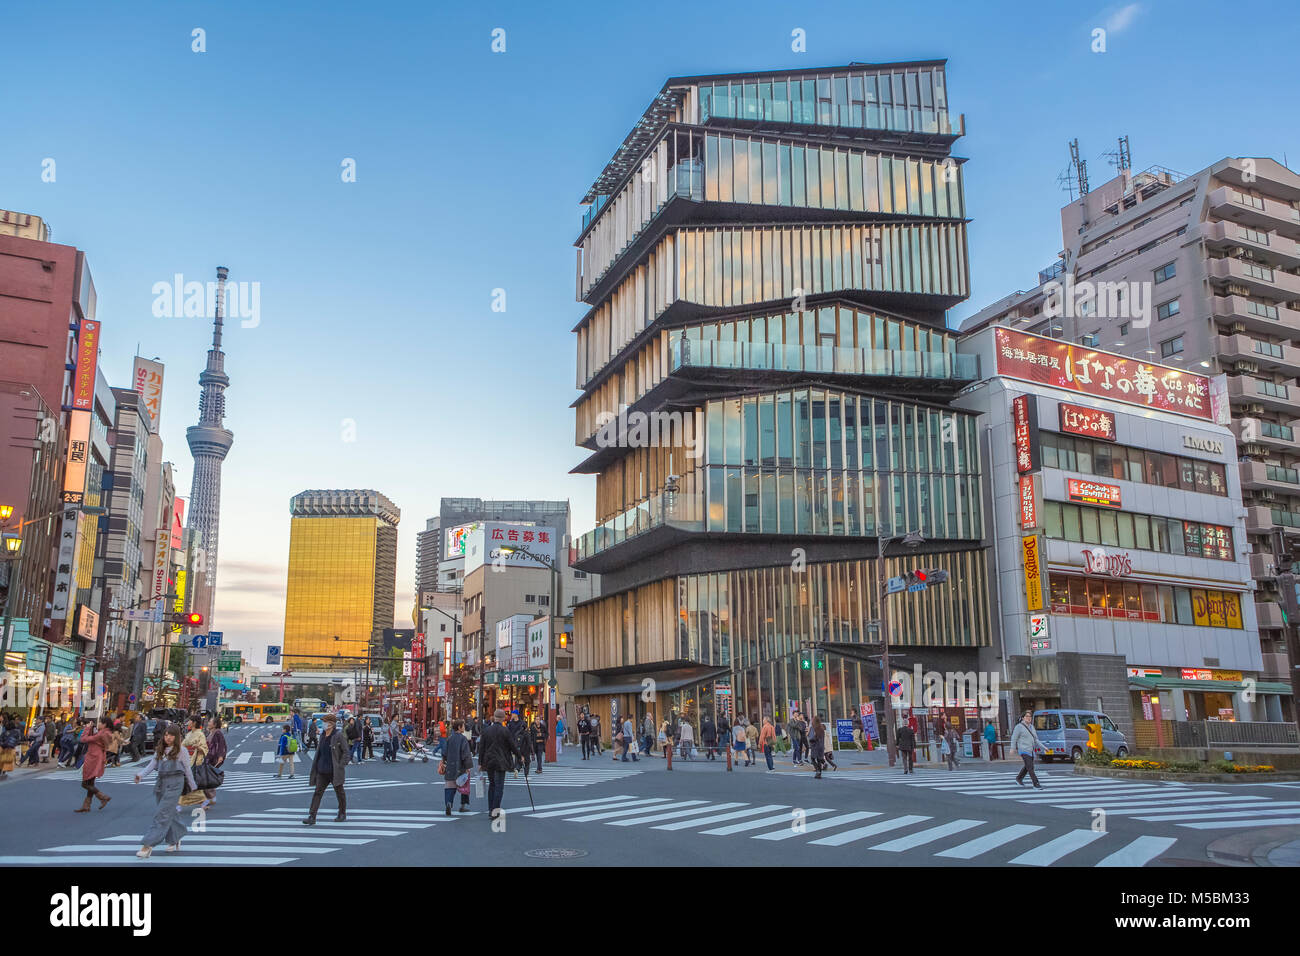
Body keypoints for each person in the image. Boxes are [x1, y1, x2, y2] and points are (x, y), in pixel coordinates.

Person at [133, 722, 198, 858]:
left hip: (175, 783)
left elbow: (187, 769)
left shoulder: (182, 750)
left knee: (162, 814)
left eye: (171, 735)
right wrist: (141, 775)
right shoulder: (161, 749)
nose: (168, 738)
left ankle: (147, 845)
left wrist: (193, 786)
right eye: (166, 735)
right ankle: (176, 838)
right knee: (170, 813)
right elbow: (153, 764)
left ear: (177, 737)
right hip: (161, 783)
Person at [303, 714, 349, 824]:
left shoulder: (338, 735)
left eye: (325, 722)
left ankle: (342, 813)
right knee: (317, 793)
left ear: (331, 724)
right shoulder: (323, 735)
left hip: (334, 770)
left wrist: (340, 765)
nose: (323, 724)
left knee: (339, 792)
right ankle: (312, 816)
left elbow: (346, 752)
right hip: (322, 770)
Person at [478, 709, 522, 819]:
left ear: (494, 717)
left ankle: (490, 809)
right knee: (499, 786)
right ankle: (495, 810)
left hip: (489, 761)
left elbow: (481, 747)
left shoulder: (486, 730)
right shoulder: (505, 731)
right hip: (501, 761)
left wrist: (480, 762)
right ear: (503, 719)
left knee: (492, 785)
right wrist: (519, 756)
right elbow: (512, 746)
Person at [75, 716, 115, 812]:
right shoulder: (106, 733)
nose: (99, 724)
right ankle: (86, 805)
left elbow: (83, 739)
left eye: (100, 722)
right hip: (98, 756)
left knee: (85, 783)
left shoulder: (101, 734)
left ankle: (102, 796)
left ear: (105, 724)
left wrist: (87, 728)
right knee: (90, 782)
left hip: (93, 757)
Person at [440, 718, 473, 816]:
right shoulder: (463, 739)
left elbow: (444, 752)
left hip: (450, 765)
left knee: (449, 786)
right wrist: (468, 766)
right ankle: (463, 805)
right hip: (461, 766)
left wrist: (444, 760)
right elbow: (466, 754)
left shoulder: (449, 738)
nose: (464, 727)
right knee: (464, 785)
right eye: (463, 726)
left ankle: (449, 803)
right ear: (459, 727)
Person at [1010, 711, 1045, 789]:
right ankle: (1036, 784)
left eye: (1030, 716)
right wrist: (1012, 748)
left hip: (1031, 750)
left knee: (1027, 766)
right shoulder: (1019, 727)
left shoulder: (1032, 727)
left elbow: (1036, 739)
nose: (1029, 718)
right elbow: (1014, 738)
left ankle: (1018, 779)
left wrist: (1044, 747)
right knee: (1030, 767)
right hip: (1023, 749)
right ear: (1023, 718)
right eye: (1027, 716)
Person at [204, 716, 226, 803]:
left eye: (210, 721)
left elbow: (221, 745)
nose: (208, 723)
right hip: (209, 757)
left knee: (208, 776)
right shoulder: (211, 732)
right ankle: (211, 796)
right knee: (209, 776)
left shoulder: (217, 733)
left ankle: (210, 796)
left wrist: (221, 756)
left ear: (215, 724)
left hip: (213, 758)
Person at [507, 711, 529, 776]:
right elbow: (508, 731)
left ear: (516, 715)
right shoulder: (511, 723)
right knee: (515, 753)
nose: (512, 715)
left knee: (518, 753)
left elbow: (524, 731)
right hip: (512, 740)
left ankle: (517, 767)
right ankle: (516, 767)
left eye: (513, 714)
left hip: (520, 741)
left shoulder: (522, 723)